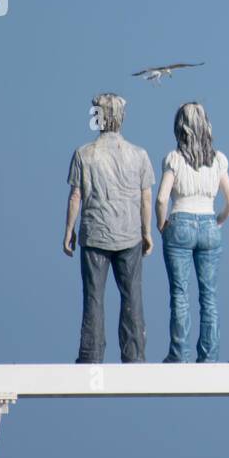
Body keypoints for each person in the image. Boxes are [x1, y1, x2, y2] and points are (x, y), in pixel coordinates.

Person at [64, 93, 155, 363]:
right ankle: (134, 355)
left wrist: (68, 231)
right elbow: (146, 196)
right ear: (122, 117)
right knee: (133, 296)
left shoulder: (83, 154)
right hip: (130, 234)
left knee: (93, 298)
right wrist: (147, 232)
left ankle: (91, 356)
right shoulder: (139, 155)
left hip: (94, 234)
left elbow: (75, 196)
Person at [157, 102, 229, 363]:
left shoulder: (174, 159)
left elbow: (161, 199)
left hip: (179, 221)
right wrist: (219, 222)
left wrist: (161, 225)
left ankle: (179, 355)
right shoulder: (218, 160)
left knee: (180, 294)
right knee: (209, 296)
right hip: (209, 224)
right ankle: (209, 357)